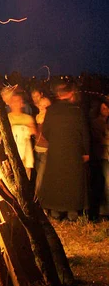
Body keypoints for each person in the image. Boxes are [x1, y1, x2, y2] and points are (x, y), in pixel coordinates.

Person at [37, 82, 90, 221]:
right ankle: (72, 212)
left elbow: (46, 132)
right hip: (73, 151)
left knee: (56, 180)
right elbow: (85, 133)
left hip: (56, 151)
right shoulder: (77, 110)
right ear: (70, 94)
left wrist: (56, 140)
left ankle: (55, 211)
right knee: (72, 181)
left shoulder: (52, 110)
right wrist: (86, 152)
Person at [8, 92, 37, 178]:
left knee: (25, 176)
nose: (16, 103)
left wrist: (27, 129)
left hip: (25, 153)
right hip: (12, 153)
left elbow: (34, 132)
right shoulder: (7, 118)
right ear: (10, 104)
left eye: (18, 101)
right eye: (13, 101)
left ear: (22, 103)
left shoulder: (28, 118)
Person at [89, 100, 109, 218]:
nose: (106, 111)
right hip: (101, 156)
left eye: (107, 108)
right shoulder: (96, 123)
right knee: (104, 182)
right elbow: (99, 139)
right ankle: (103, 210)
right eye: (103, 109)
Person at [34, 96, 52, 194]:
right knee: (39, 174)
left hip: (46, 150)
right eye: (41, 104)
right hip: (37, 149)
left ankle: (38, 198)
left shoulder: (50, 118)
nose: (42, 107)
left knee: (40, 177)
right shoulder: (37, 116)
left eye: (45, 105)